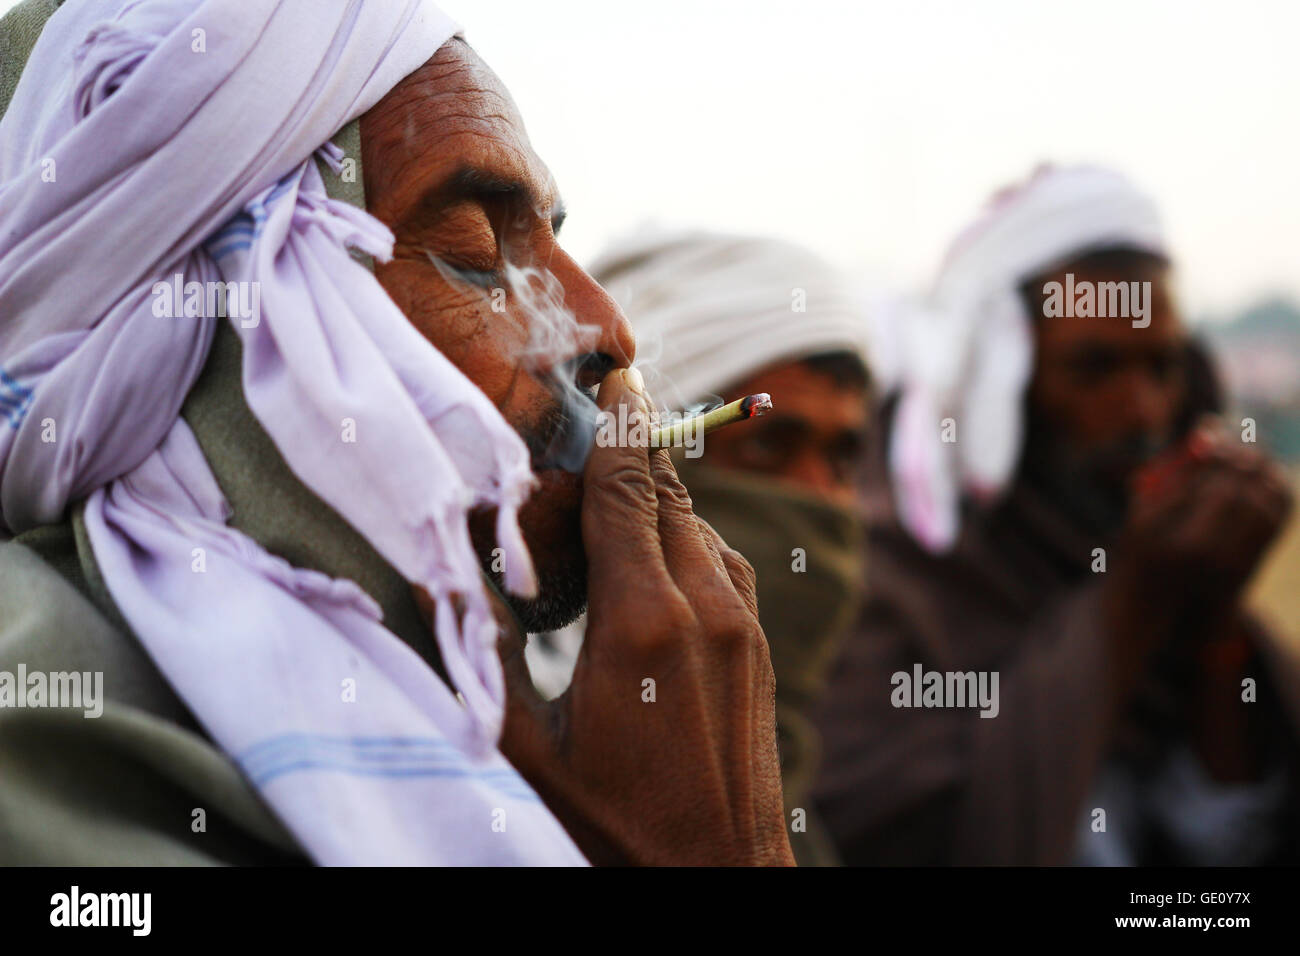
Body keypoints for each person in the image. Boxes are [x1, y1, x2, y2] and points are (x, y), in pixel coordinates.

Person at [0, 0, 791, 866]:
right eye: (476, 247)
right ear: (208, 336)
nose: (608, 328)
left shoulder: (552, 762)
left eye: (557, 244)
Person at [813, 165, 1300, 865]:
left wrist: (1213, 612)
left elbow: (1228, 837)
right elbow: (911, 833)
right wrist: (1129, 600)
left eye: (1160, 367)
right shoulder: (894, 572)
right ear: (997, 379)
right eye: (1094, 369)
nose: (1142, 412)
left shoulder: (1155, 553)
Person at [528, 229, 872, 864]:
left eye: (843, 457)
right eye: (768, 448)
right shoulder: (524, 770)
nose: (821, 500)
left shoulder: (800, 769)